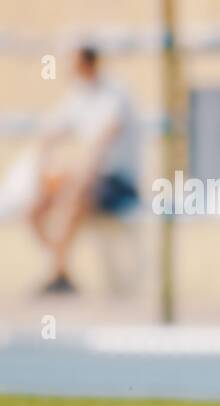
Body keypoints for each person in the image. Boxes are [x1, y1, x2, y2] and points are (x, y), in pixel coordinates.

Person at [27, 46, 140, 295]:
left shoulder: (116, 94)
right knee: (36, 207)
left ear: (87, 65)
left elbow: (103, 142)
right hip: (88, 180)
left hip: (118, 182)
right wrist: (42, 166)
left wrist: (77, 175)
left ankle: (58, 271)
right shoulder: (78, 96)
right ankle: (60, 266)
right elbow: (50, 132)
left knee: (76, 192)